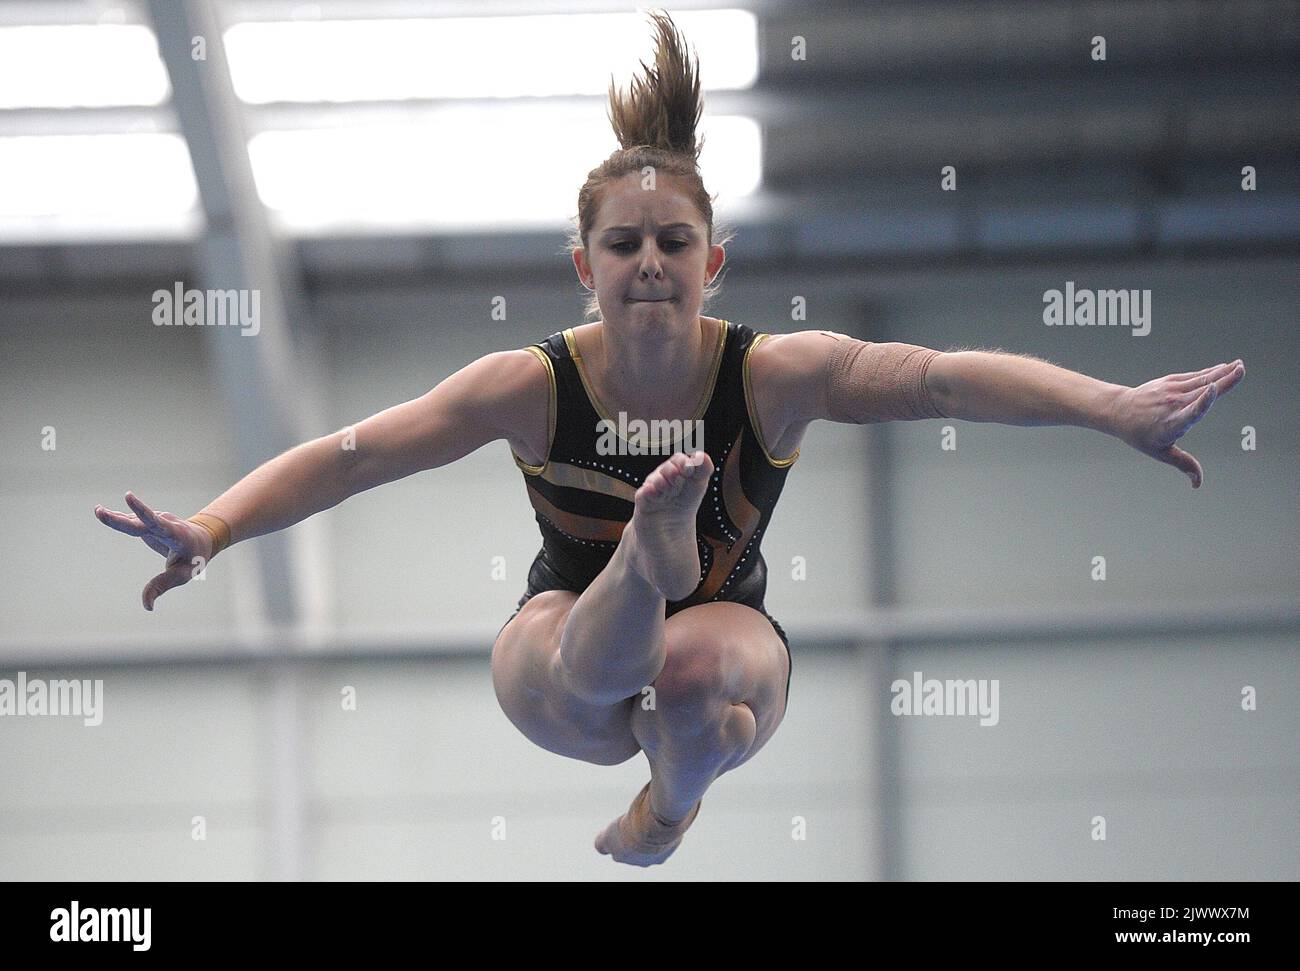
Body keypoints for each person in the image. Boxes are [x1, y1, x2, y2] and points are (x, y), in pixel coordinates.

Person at [94, 11, 1245, 867]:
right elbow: (355, 453)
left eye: (674, 240)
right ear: (583, 265)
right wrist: (215, 523)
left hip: (726, 629)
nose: (650, 259)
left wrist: (1112, 406)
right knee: (583, 659)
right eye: (626, 240)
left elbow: (939, 379)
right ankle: (648, 565)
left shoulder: (772, 373)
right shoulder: (532, 384)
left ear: (713, 260)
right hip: (568, 654)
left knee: (695, 673)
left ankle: (671, 798)